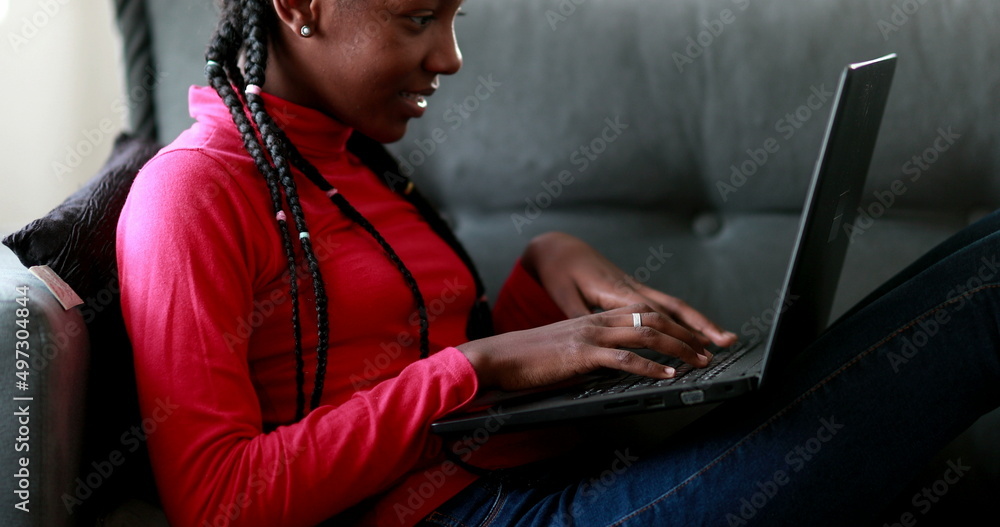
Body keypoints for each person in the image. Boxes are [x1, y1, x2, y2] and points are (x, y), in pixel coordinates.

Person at [115, 0, 1000, 525]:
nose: (449, 57)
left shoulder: (351, 163)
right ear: (301, 4)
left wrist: (545, 272)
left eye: (456, 17)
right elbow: (218, 500)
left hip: (562, 484)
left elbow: (428, 370)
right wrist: (474, 364)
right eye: (418, 18)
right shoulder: (190, 195)